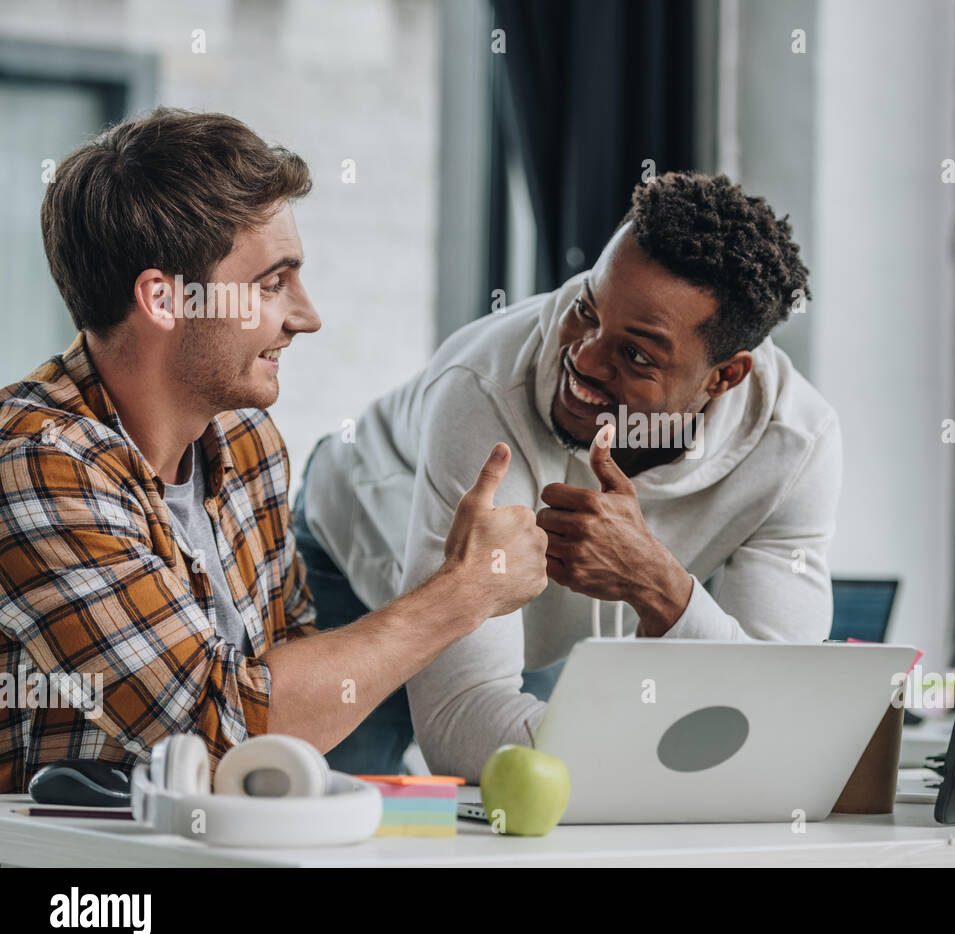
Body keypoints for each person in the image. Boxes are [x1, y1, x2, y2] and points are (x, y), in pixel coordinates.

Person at [0, 108, 547, 793]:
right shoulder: (37, 462)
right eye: (271, 282)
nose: (306, 315)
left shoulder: (243, 441)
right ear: (163, 299)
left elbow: (295, 680)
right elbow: (220, 729)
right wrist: (461, 594)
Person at [299, 171, 843, 781]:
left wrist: (659, 584)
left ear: (724, 376)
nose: (582, 359)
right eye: (587, 309)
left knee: (545, 801)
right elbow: (457, 724)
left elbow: (775, 707)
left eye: (636, 354)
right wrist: (662, 760)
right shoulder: (482, 391)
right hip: (352, 559)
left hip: (537, 622)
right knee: (340, 817)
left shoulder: (795, 447)